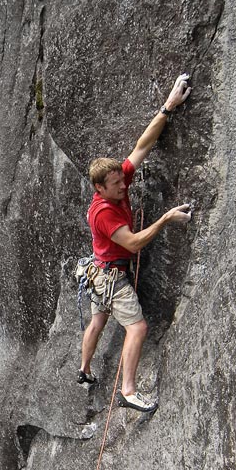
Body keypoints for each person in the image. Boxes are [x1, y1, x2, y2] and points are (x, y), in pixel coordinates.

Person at [77, 73, 193, 412]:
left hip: (99, 273)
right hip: (112, 277)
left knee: (98, 321)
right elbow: (133, 244)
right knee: (138, 327)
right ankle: (128, 391)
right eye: (115, 185)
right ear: (99, 188)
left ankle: (84, 370)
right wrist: (166, 218)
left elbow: (143, 145)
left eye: (121, 180)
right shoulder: (103, 213)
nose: (123, 186)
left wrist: (168, 107)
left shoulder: (117, 180)